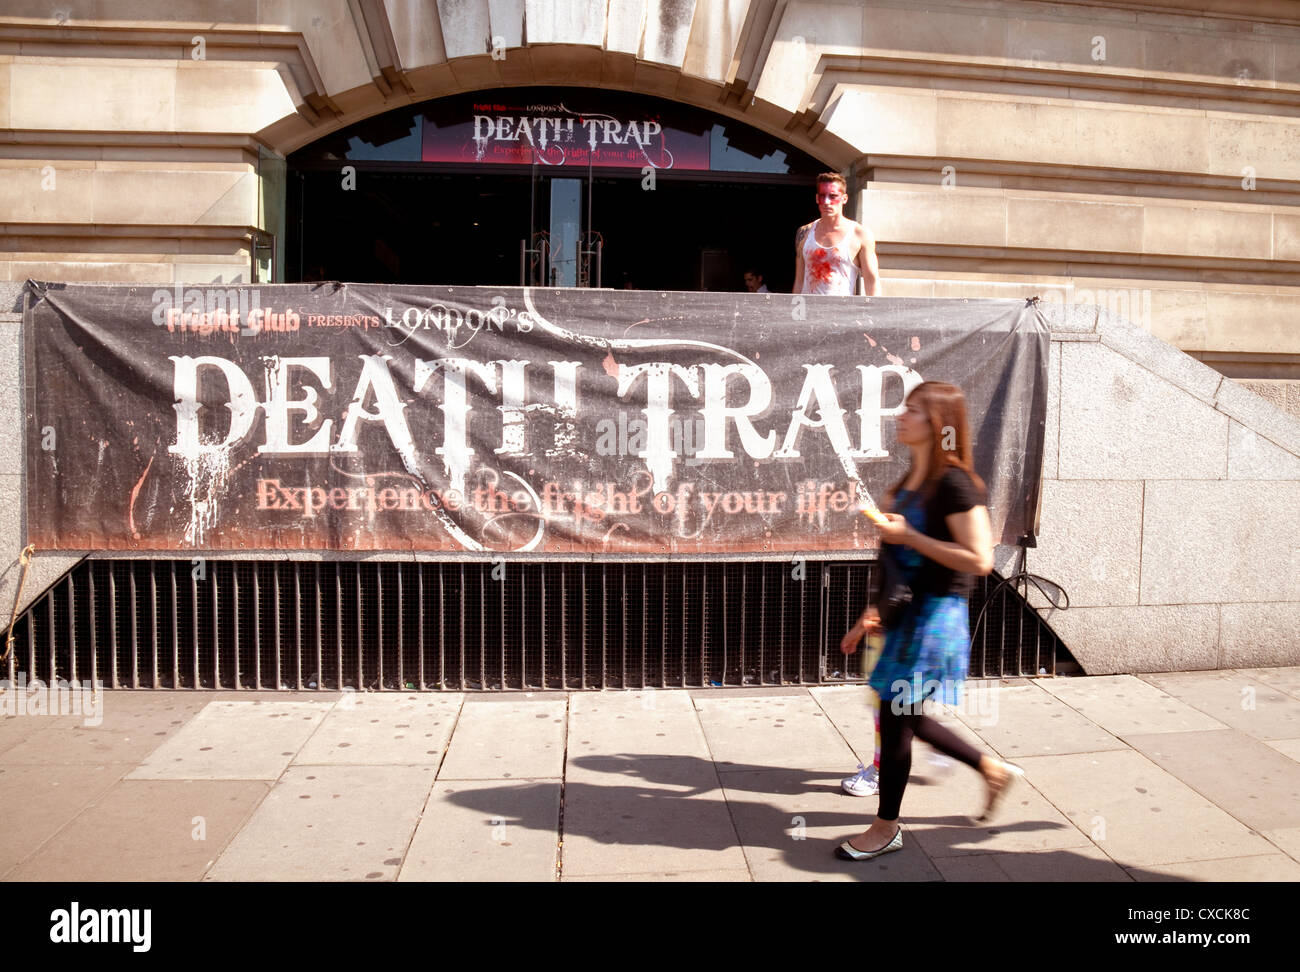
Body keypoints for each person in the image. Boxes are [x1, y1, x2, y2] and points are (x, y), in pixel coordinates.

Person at [834, 381, 1023, 861]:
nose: (901, 415)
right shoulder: (907, 484)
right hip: (906, 617)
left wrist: (911, 536)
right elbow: (895, 565)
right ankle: (990, 769)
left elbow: (980, 559)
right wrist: (870, 615)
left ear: (939, 425)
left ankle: (886, 828)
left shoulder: (955, 483)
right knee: (905, 715)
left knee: (896, 717)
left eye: (913, 410)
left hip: (935, 619)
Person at [793, 172, 882, 297]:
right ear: (817, 198)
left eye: (833, 196)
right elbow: (799, 281)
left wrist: (875, 308)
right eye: (822, 196)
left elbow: (871, 281)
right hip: (807, 308)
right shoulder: (805, 232)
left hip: (842, 307)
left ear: (844, 198)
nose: (826, 202)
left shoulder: (859, 234)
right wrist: (794, 308)